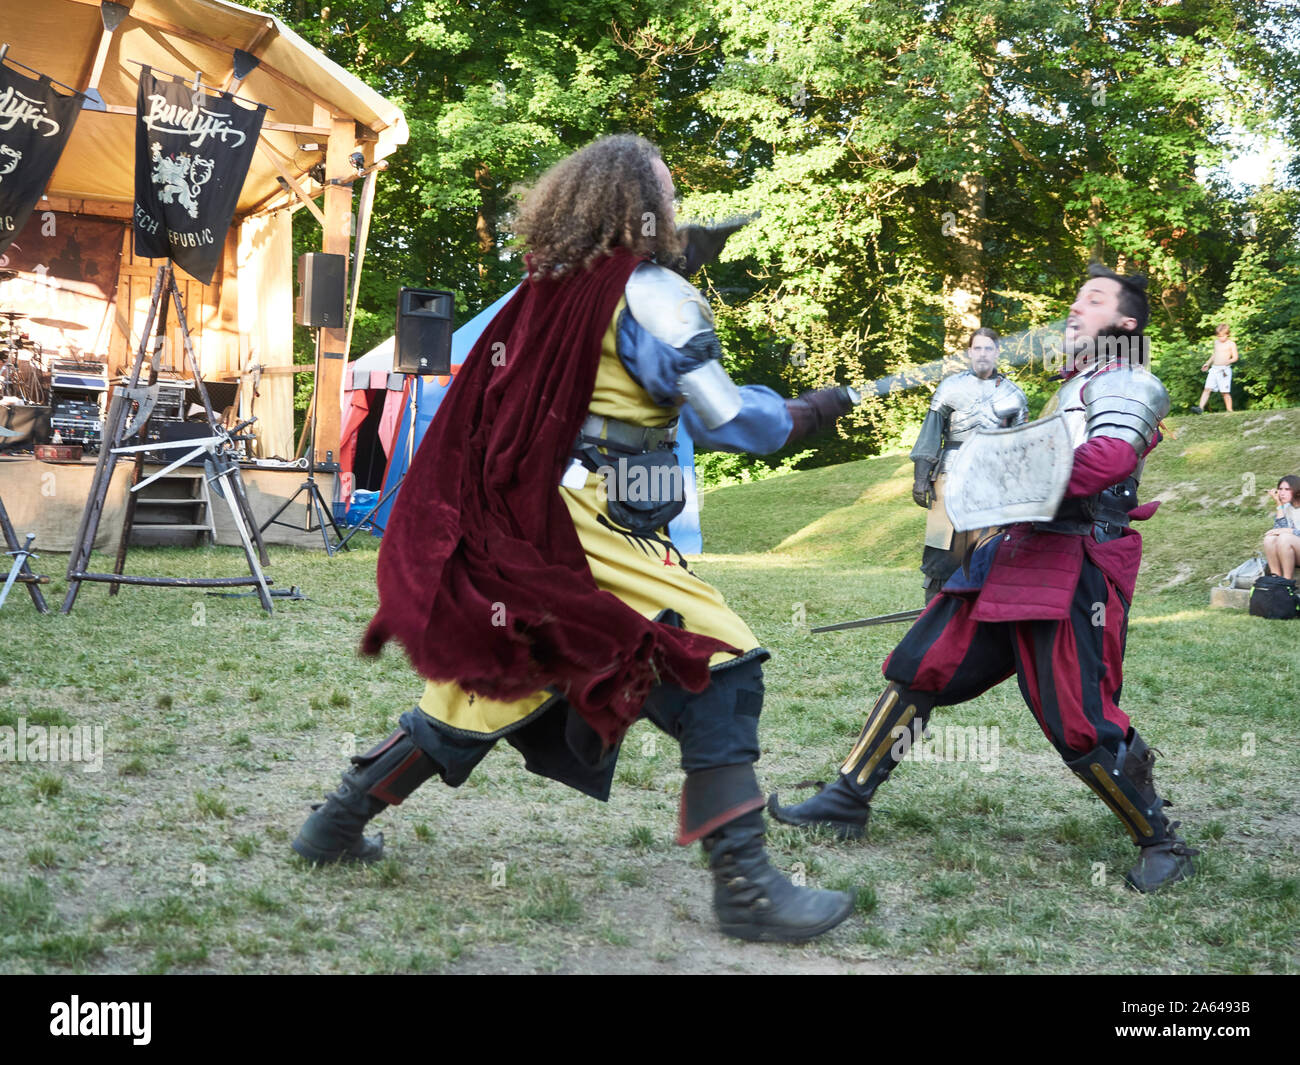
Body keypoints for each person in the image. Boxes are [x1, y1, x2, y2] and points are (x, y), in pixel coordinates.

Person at [291, 135, 859, 943]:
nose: (677, 209)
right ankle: (748, 890)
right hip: (586, 530)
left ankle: (331, 826)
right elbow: (730, 421)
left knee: (492, 685)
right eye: (666, 194)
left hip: (530, 517)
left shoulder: (548, 289)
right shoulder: (652, 295)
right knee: (720, 670)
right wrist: (800, 411)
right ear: (640, 209)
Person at [770, 265, 1199, 894]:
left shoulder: (1131, 380)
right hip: (1018, 553)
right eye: (1077, 296)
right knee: (922, 664)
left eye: (1095, 301)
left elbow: (1110, 460)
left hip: (1076, 564)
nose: (1076, 309)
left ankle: (1162, 841)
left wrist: (1009, 477)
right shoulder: (1078, 384)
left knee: (1076, 718)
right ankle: (846, 799)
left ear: (1126, 324)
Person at [910, 328, 1028, 601]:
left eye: (989, 348)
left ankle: (979, 612)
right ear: (969, 352)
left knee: (988, 547)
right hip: (948, 477)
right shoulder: (950, 387)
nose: (983, 353)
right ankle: (934, 612)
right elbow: (930, 434)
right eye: (977, 348)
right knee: (941, 547)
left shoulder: (1013, 395)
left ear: (998, 353)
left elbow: (1019, 448)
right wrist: (920, 477)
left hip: (993, 481)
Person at [1194, 324, 1239, 413]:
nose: (1220, 338)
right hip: (1214, 369)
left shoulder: (1231, 344)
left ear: (1227, 334)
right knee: (1207, 389)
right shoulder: (1216, 343)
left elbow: (1235, 357)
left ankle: (1229, 410)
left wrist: (1228, 361)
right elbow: (1214, 354)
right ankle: (1200, 408)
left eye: (1222, 336)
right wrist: (1207, 363)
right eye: (1218, 336)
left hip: (1224, 370)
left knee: (1224, 392)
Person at [1263, 475, 1300, 580]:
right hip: (1293, 551)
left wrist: (1290, 531)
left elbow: (1284, 532)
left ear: (1297, 491)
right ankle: (1276, 579)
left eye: (1287, 489)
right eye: (1280, 489)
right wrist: (1279, 504)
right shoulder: (1287, 507)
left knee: (1285, 537)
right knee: (1269, 539)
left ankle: (1287, 582)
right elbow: (1277, 530)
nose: (1282, 493)